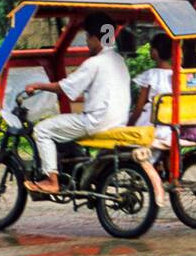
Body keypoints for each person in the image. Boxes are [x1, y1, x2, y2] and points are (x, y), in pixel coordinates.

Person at [20, 12, 129, 194]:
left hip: (96, 121)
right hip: (117, 120)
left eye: (87, 37)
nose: (86, 42)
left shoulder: (94, 63)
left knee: (42, 130)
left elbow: (65, 88)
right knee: (64, 123)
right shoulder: (119, 61)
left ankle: (51, 181)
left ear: (95, 38)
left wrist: (37, 85)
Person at [132, 33, 196, 151]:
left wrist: (129, 125)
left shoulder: (151, 75)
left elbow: (139, 107)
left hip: (152, 126)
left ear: (155, 52)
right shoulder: (182, 74)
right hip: (173, 126)